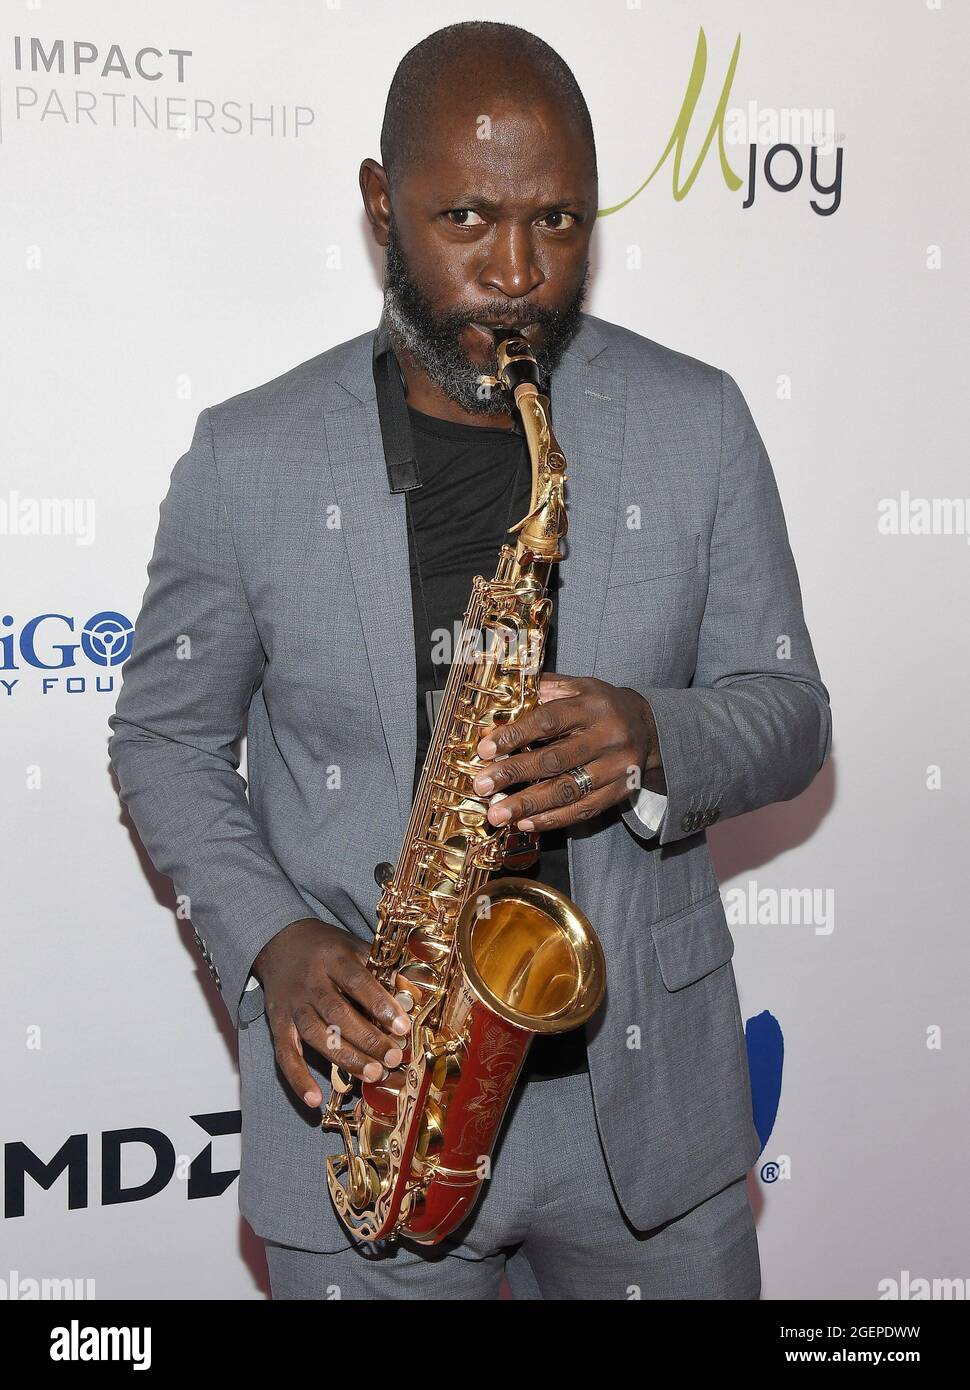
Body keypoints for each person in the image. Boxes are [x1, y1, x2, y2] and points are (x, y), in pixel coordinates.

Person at [108, 21, 831, 1300]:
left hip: (643, 1120)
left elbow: (788, 713)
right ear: (380, 207)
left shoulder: (696, 419)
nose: (517, 276)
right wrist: (272, 940)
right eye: (466, 218)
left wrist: (654, 732)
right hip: (369, 1100)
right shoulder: (247, 455)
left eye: (558, 222)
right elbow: (162, 739)